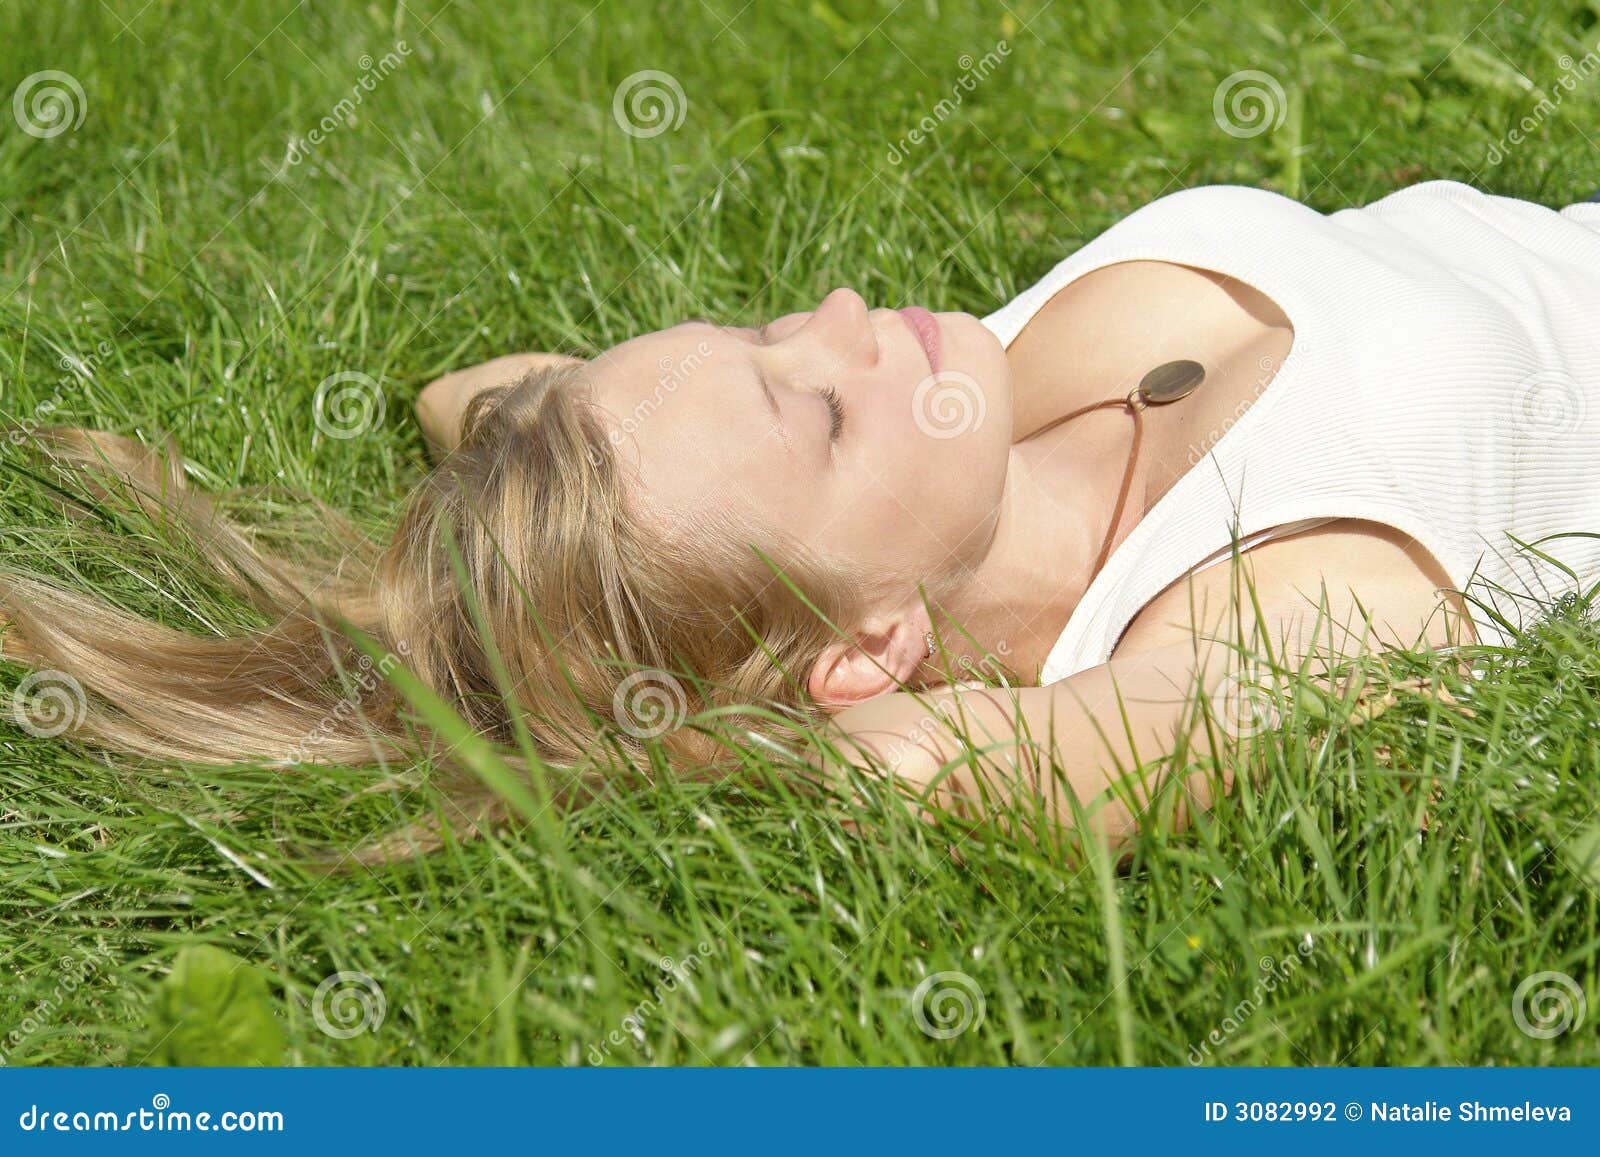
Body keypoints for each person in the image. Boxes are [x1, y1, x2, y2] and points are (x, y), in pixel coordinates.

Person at [6, 179, 1599, 846]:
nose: (841, 312)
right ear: (870, 643)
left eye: (766, 336)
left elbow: (478, 395)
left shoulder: (946, 432)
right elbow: (1015, 775)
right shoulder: (1274, 605)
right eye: (817, 406)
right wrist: (696, 735)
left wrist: (517, 483)